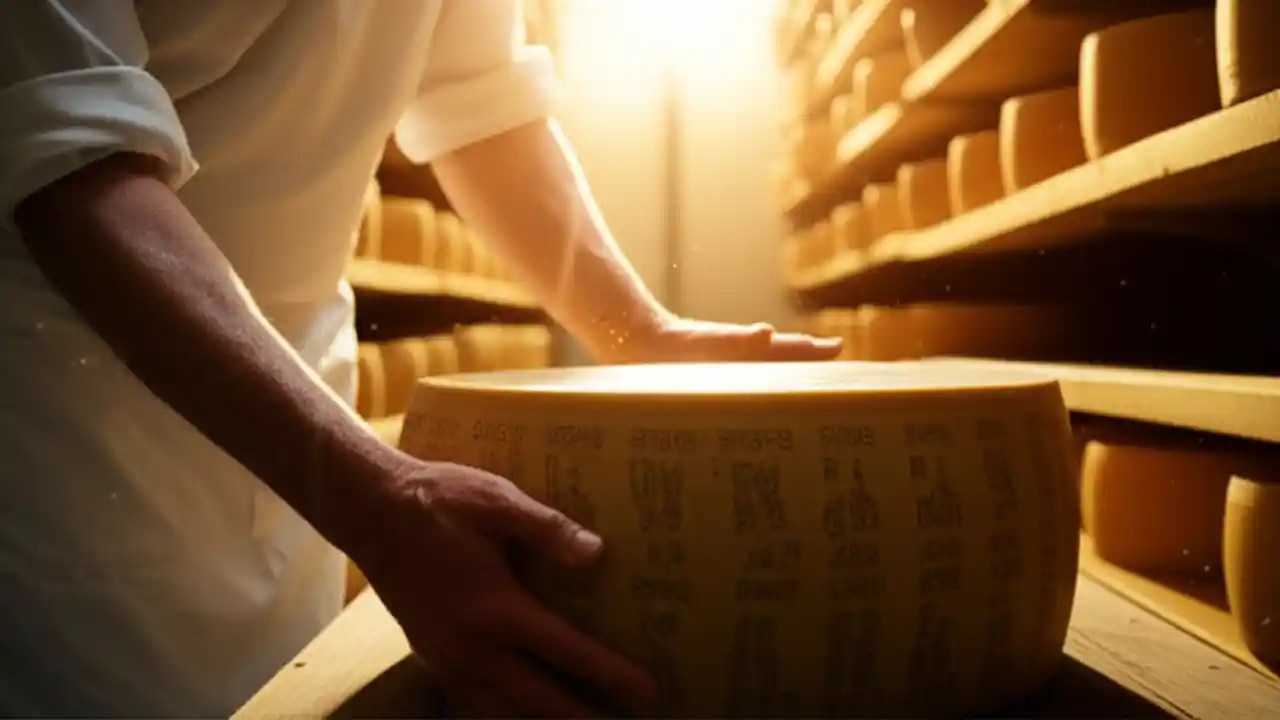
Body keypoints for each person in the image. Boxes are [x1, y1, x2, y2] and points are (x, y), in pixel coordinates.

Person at [0, 1, 840, 716]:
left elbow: (482, 99)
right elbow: (71, 153)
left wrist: (639, 333)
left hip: (297, 398)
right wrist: (374, 494)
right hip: (69, 416)